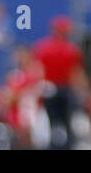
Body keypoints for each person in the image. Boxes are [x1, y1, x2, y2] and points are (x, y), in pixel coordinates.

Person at [33, 15, 86, 150]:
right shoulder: (71, 50)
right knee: (66, 125)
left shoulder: (43, 47)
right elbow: (76, 76)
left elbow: (37, 72)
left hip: (50, 90)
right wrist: (84, 94)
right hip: (64, 90)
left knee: (54, 125)